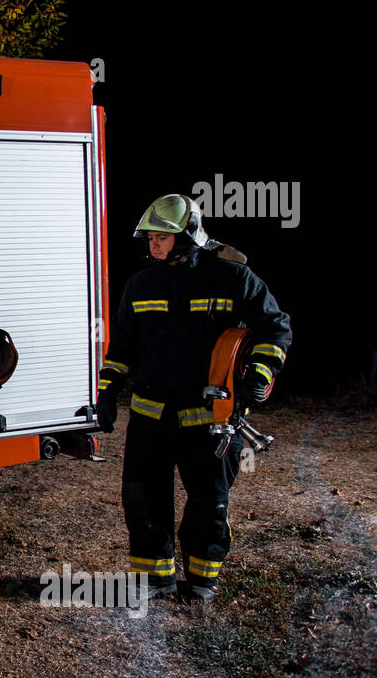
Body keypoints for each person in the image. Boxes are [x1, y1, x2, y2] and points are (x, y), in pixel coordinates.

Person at [95, 194, 292, 603]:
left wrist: (259, 373)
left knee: (209, 503)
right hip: (151, 416)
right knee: (143, 497)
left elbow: (275, 327)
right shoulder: (139, 285)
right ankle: (155, 578)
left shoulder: (233, 278)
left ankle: (202, 580)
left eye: (162, 237)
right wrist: (107, 390)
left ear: (187, 236)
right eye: (150, 237)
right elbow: (122, 348)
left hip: (210, 419)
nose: (154, 244)